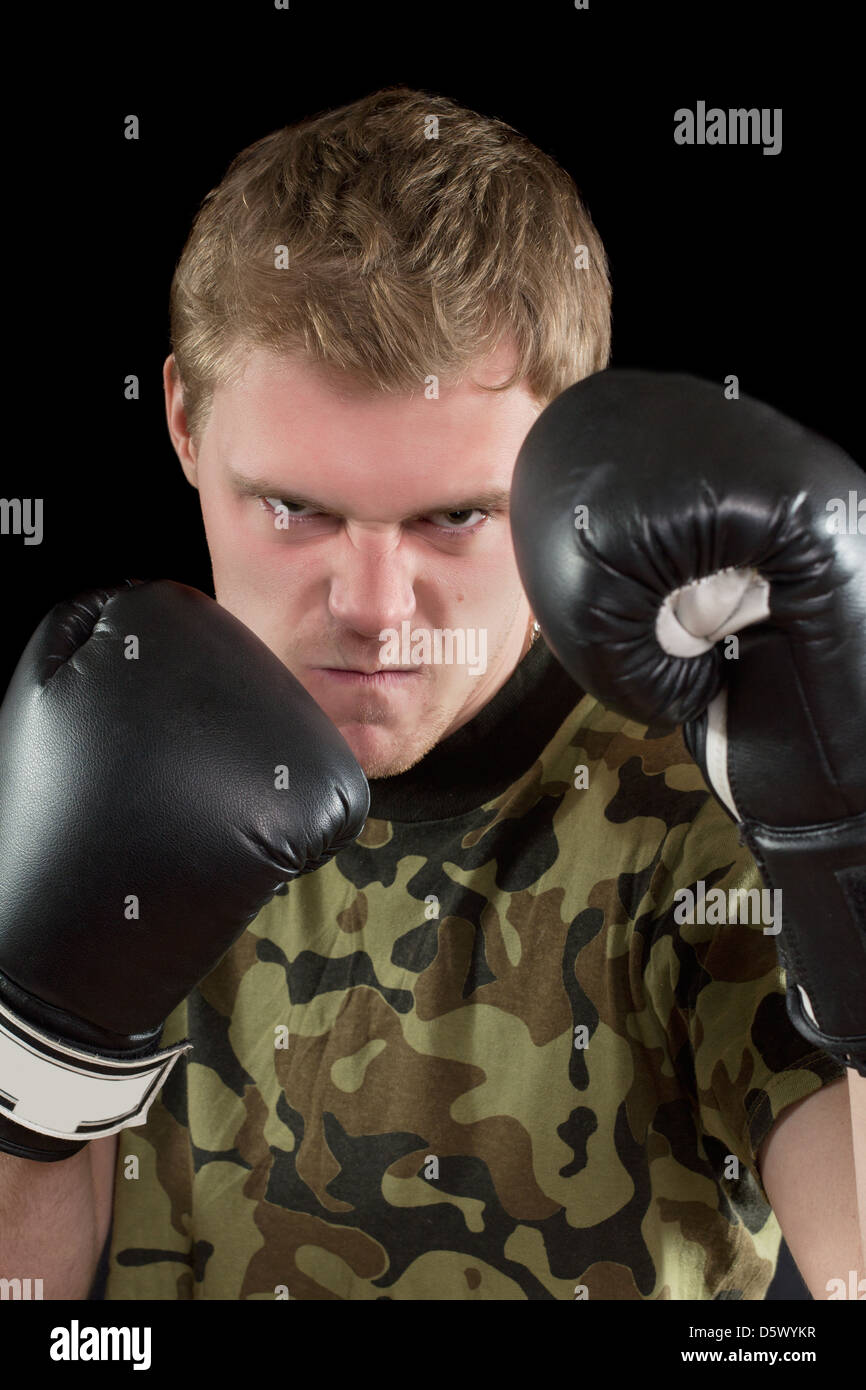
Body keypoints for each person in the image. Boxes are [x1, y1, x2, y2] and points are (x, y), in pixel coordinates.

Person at [3, 86, 860, 1301]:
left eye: (453, 517)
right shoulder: (70, 769)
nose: (369, 603)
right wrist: (36, 1063)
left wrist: (848, 841)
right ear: (185, 426)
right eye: (294, 508)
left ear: (566, 470)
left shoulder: (693, 811)